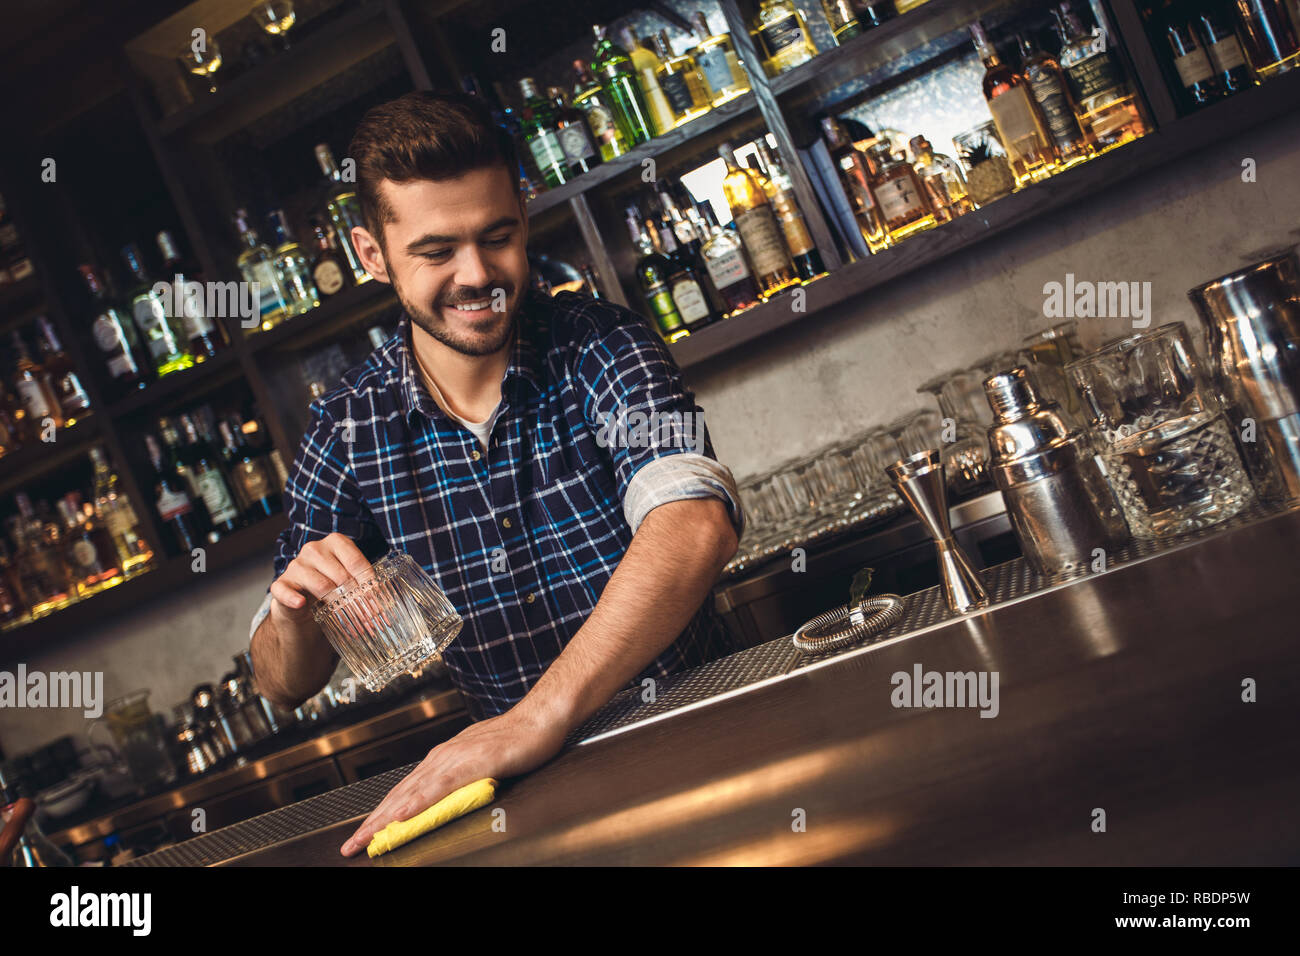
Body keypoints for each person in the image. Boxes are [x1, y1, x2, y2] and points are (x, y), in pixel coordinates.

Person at [247, 91, 745, 857]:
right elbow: (283, 681)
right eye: (436, 251)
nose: (477, 275)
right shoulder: (346, 424)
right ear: (372, 255)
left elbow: (693, 521)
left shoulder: (604, 343)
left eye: (498, 237)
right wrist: (291, 609)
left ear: (524, 210)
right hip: (526, 805)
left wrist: (531, 719)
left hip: (696, 731)